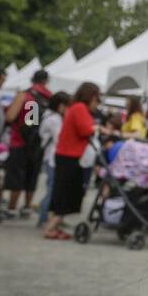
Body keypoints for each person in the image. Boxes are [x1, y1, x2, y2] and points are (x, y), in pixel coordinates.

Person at [44, 82, 101, 240]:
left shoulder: (73, 108)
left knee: (60, 191)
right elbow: (85, 129)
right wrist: (97, 128)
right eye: (96, 100)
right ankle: (50, 227)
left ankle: (53, 224)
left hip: (64, 155)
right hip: (70, 156)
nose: (97, 104)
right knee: (67, 193)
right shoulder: (80, 108)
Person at [2, 69, 55, 219]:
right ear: (46, 81)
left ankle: (12, 208)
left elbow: (11, 117)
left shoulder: (26, 95)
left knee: (16, 175)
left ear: (32, 79)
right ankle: (26, 207)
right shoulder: (50, 97)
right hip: (39, 143)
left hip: (19, 141)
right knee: (32, 175)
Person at [36, 91, 71, 228]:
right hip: (53, 157)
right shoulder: (55, 119)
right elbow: (59, 139)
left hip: (49, 156)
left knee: (52, 188)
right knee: (52, 189)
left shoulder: (47, 115)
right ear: (60, 105)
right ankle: (44, 216)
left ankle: (46, 214)